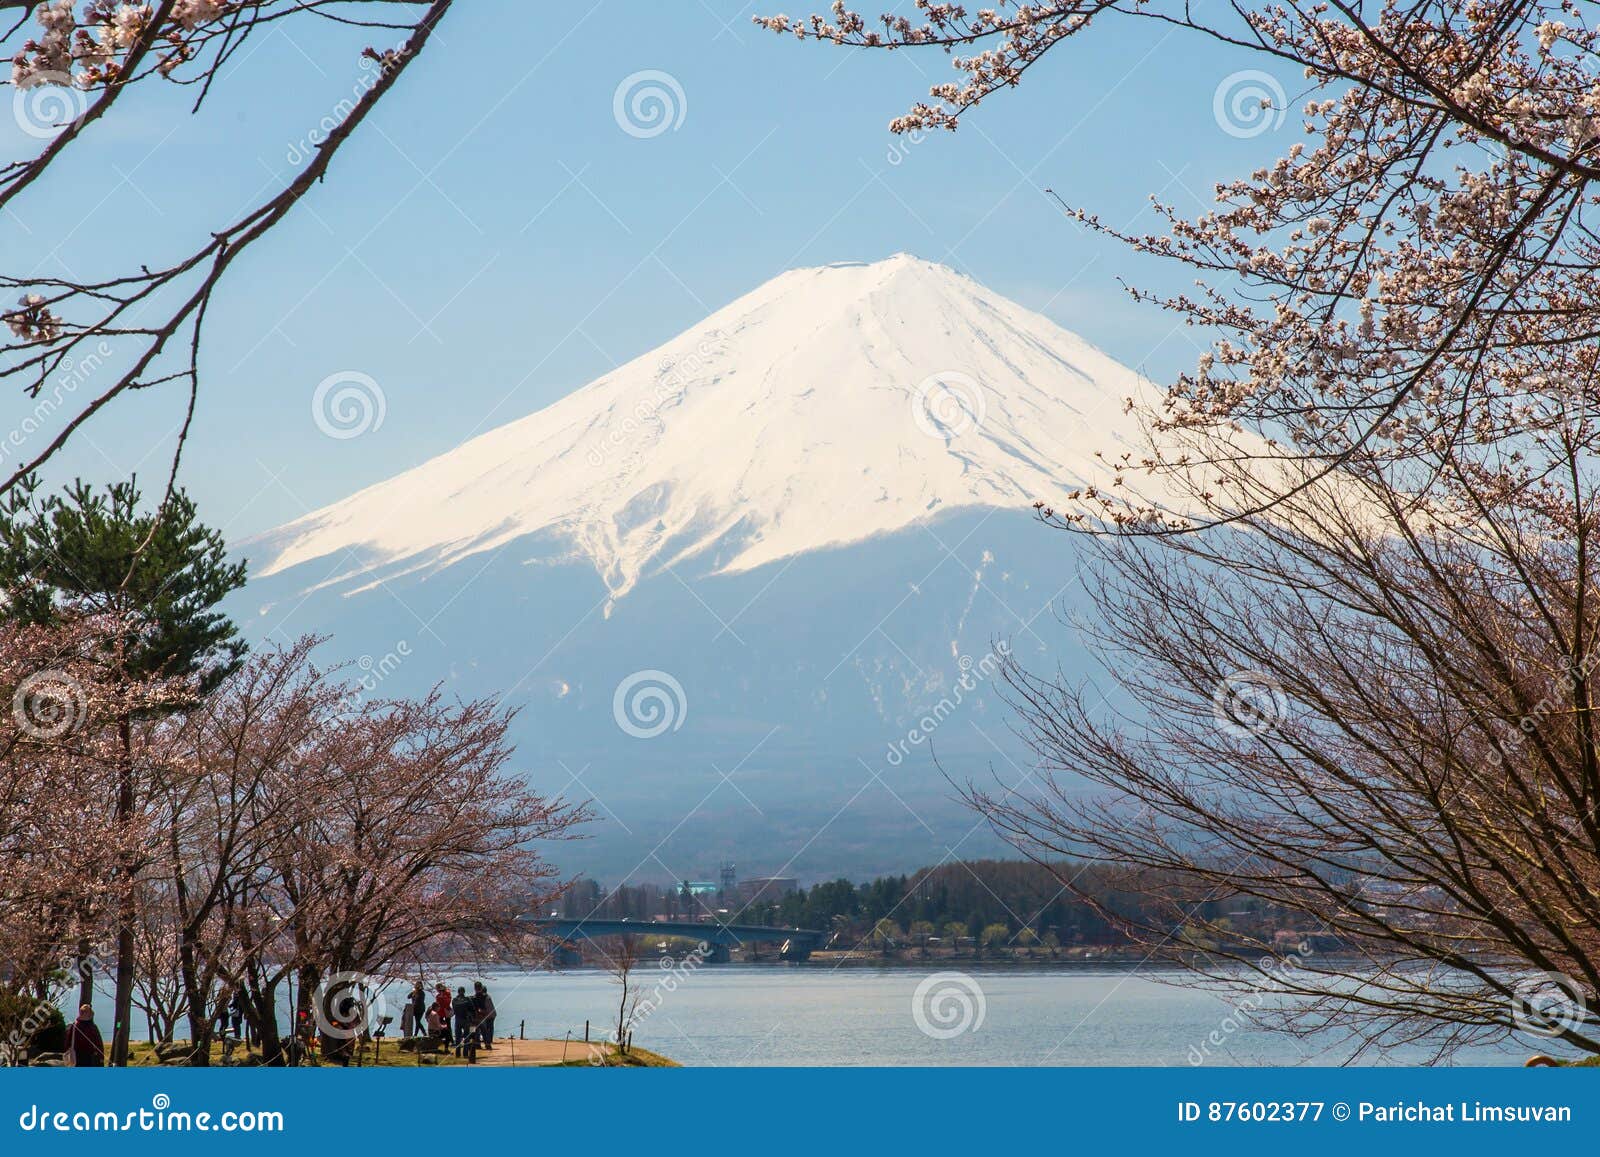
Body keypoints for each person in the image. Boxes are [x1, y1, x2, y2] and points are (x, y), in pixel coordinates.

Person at [451, 986, 475, 1061]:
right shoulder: (467, 999)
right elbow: (472, 1009)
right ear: (464, 992)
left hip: (457, 1019)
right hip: (466, 1020)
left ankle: (458, 1053)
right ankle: (465, 1054)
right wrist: (473, 1019)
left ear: (458, 992)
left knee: (458, 1038)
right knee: (466, 1037)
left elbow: (454, 1010)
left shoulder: (454, 1000)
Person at [473, 981, 496, 1050]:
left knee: (474, 1031)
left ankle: (476, 1044)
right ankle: (487, 1044)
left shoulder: (473, 997)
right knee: (484, 1031)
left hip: (475, 1017)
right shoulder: (486, 996)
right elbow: (488, 1008)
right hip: (483, 1016)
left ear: (474, 988)